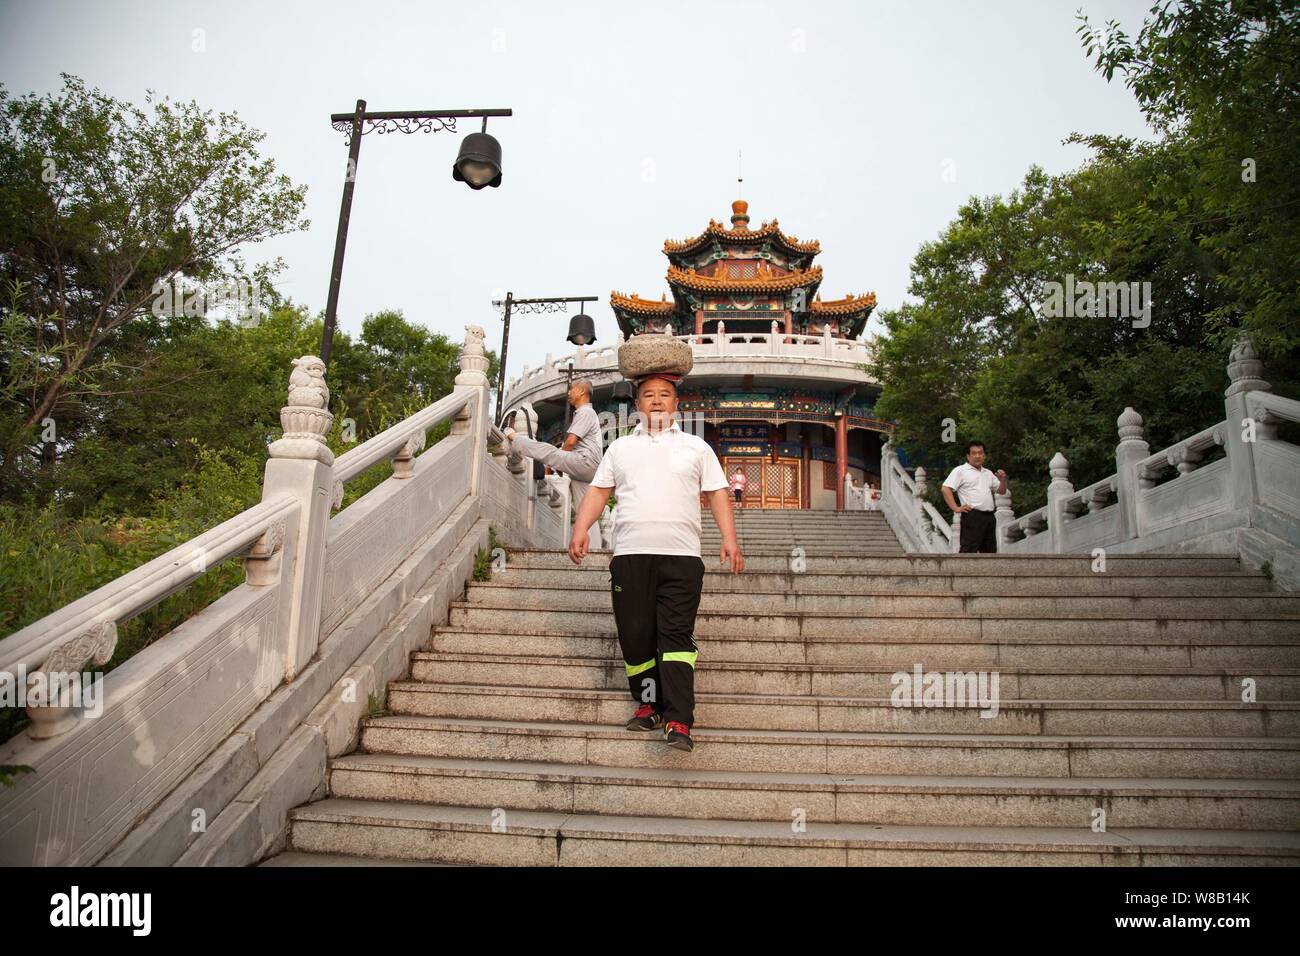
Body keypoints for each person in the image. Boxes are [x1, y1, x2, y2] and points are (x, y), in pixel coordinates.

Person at [568, 373, 743, 753]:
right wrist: (581, 527)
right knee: (636, 635)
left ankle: (679, 717)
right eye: (649, 395)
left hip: (682, 559)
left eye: (665, 395)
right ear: (638, 405)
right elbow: (598, 491)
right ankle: (649, 703)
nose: (657, 401)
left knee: (676, 638)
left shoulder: (697, 448)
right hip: (630, 556)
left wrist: (729, 539)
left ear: (677, 404)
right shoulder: (620, 450)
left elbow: (716, 493)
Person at [505, 378, 603, 548]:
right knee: (585, 511)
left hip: (585, 461)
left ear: (581, 391)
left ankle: (513, 435)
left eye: (571, 389)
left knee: (548, 451)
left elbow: (571, 441)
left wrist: (555, 462)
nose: (569, 393)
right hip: (588, 468)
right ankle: (594, 550)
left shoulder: (585, 412)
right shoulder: (587, 413)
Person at [941, 440, 1009, 553]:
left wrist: (1002, 480)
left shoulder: (988, 473)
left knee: (990, 551)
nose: (977, 456)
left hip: (989, 517)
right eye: (974, 453)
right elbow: (945, 488)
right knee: (968, 549)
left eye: (980, 453)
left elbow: (1001, 491)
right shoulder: (960, 471)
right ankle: (964, 571)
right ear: (968, 456)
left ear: (984, 455)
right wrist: (956, 508)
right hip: (972, 515)